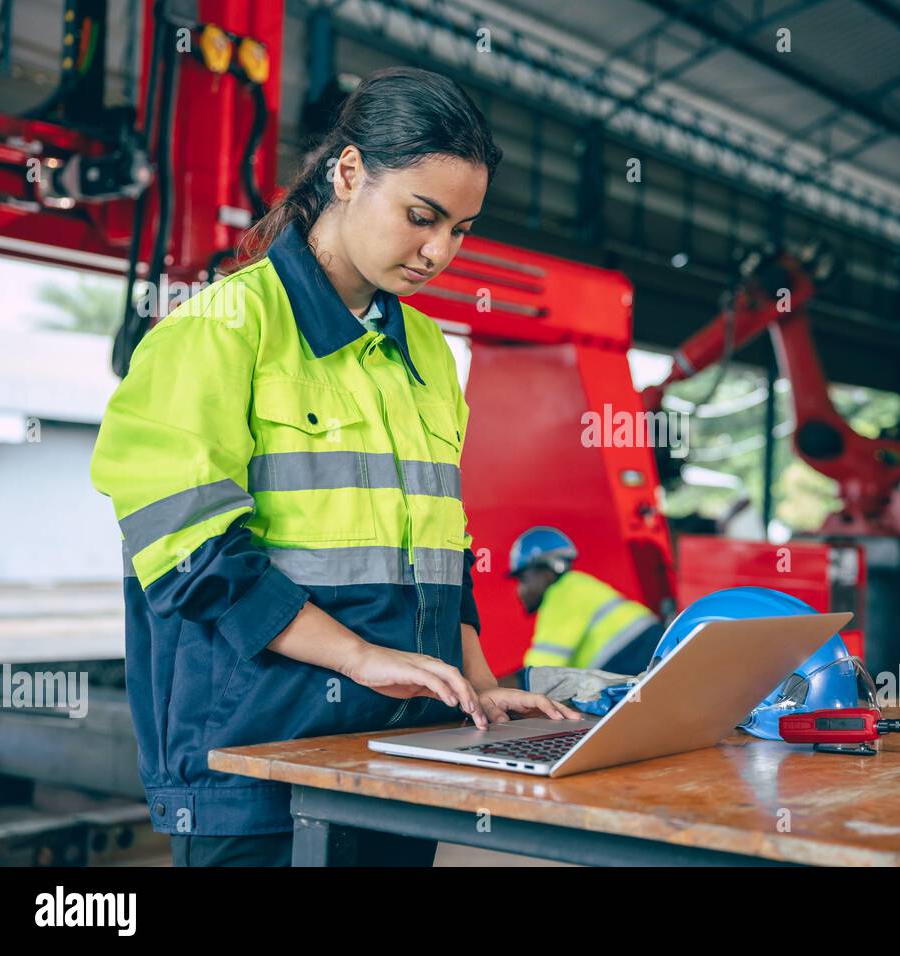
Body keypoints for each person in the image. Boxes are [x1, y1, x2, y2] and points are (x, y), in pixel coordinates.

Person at [90, 67, 580, 867]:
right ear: (347, 172)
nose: (438, 252)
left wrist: (478, 680)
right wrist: (357, 656)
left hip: (404, 758)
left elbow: (438, 548)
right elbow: (187, 551)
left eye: (461, 229)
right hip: (253, 761)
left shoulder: (425, 351)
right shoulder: (216, 330)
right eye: (422, 217)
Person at [506, 527, 663, 682]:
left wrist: (501, 691)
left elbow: (539, 673)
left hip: (636, 658)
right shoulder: (577, 585)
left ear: (545, 573)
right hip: (647, 653)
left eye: (522, 579)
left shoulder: (562, 594)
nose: (519, 590)